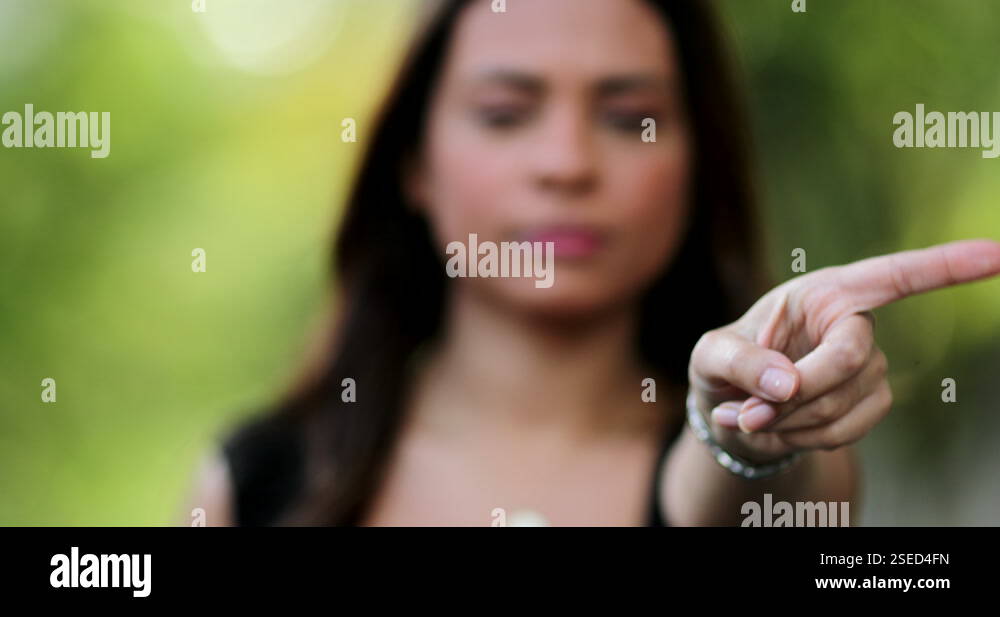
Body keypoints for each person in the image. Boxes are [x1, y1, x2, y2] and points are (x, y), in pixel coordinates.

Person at [180, 0, 1000, 526]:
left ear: (696, 163)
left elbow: (738, 493)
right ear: (414, 164)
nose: (568, 163)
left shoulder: (795, 473)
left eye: (628, 117)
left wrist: (747, 433)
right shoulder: (255, 485)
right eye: (505, 114)